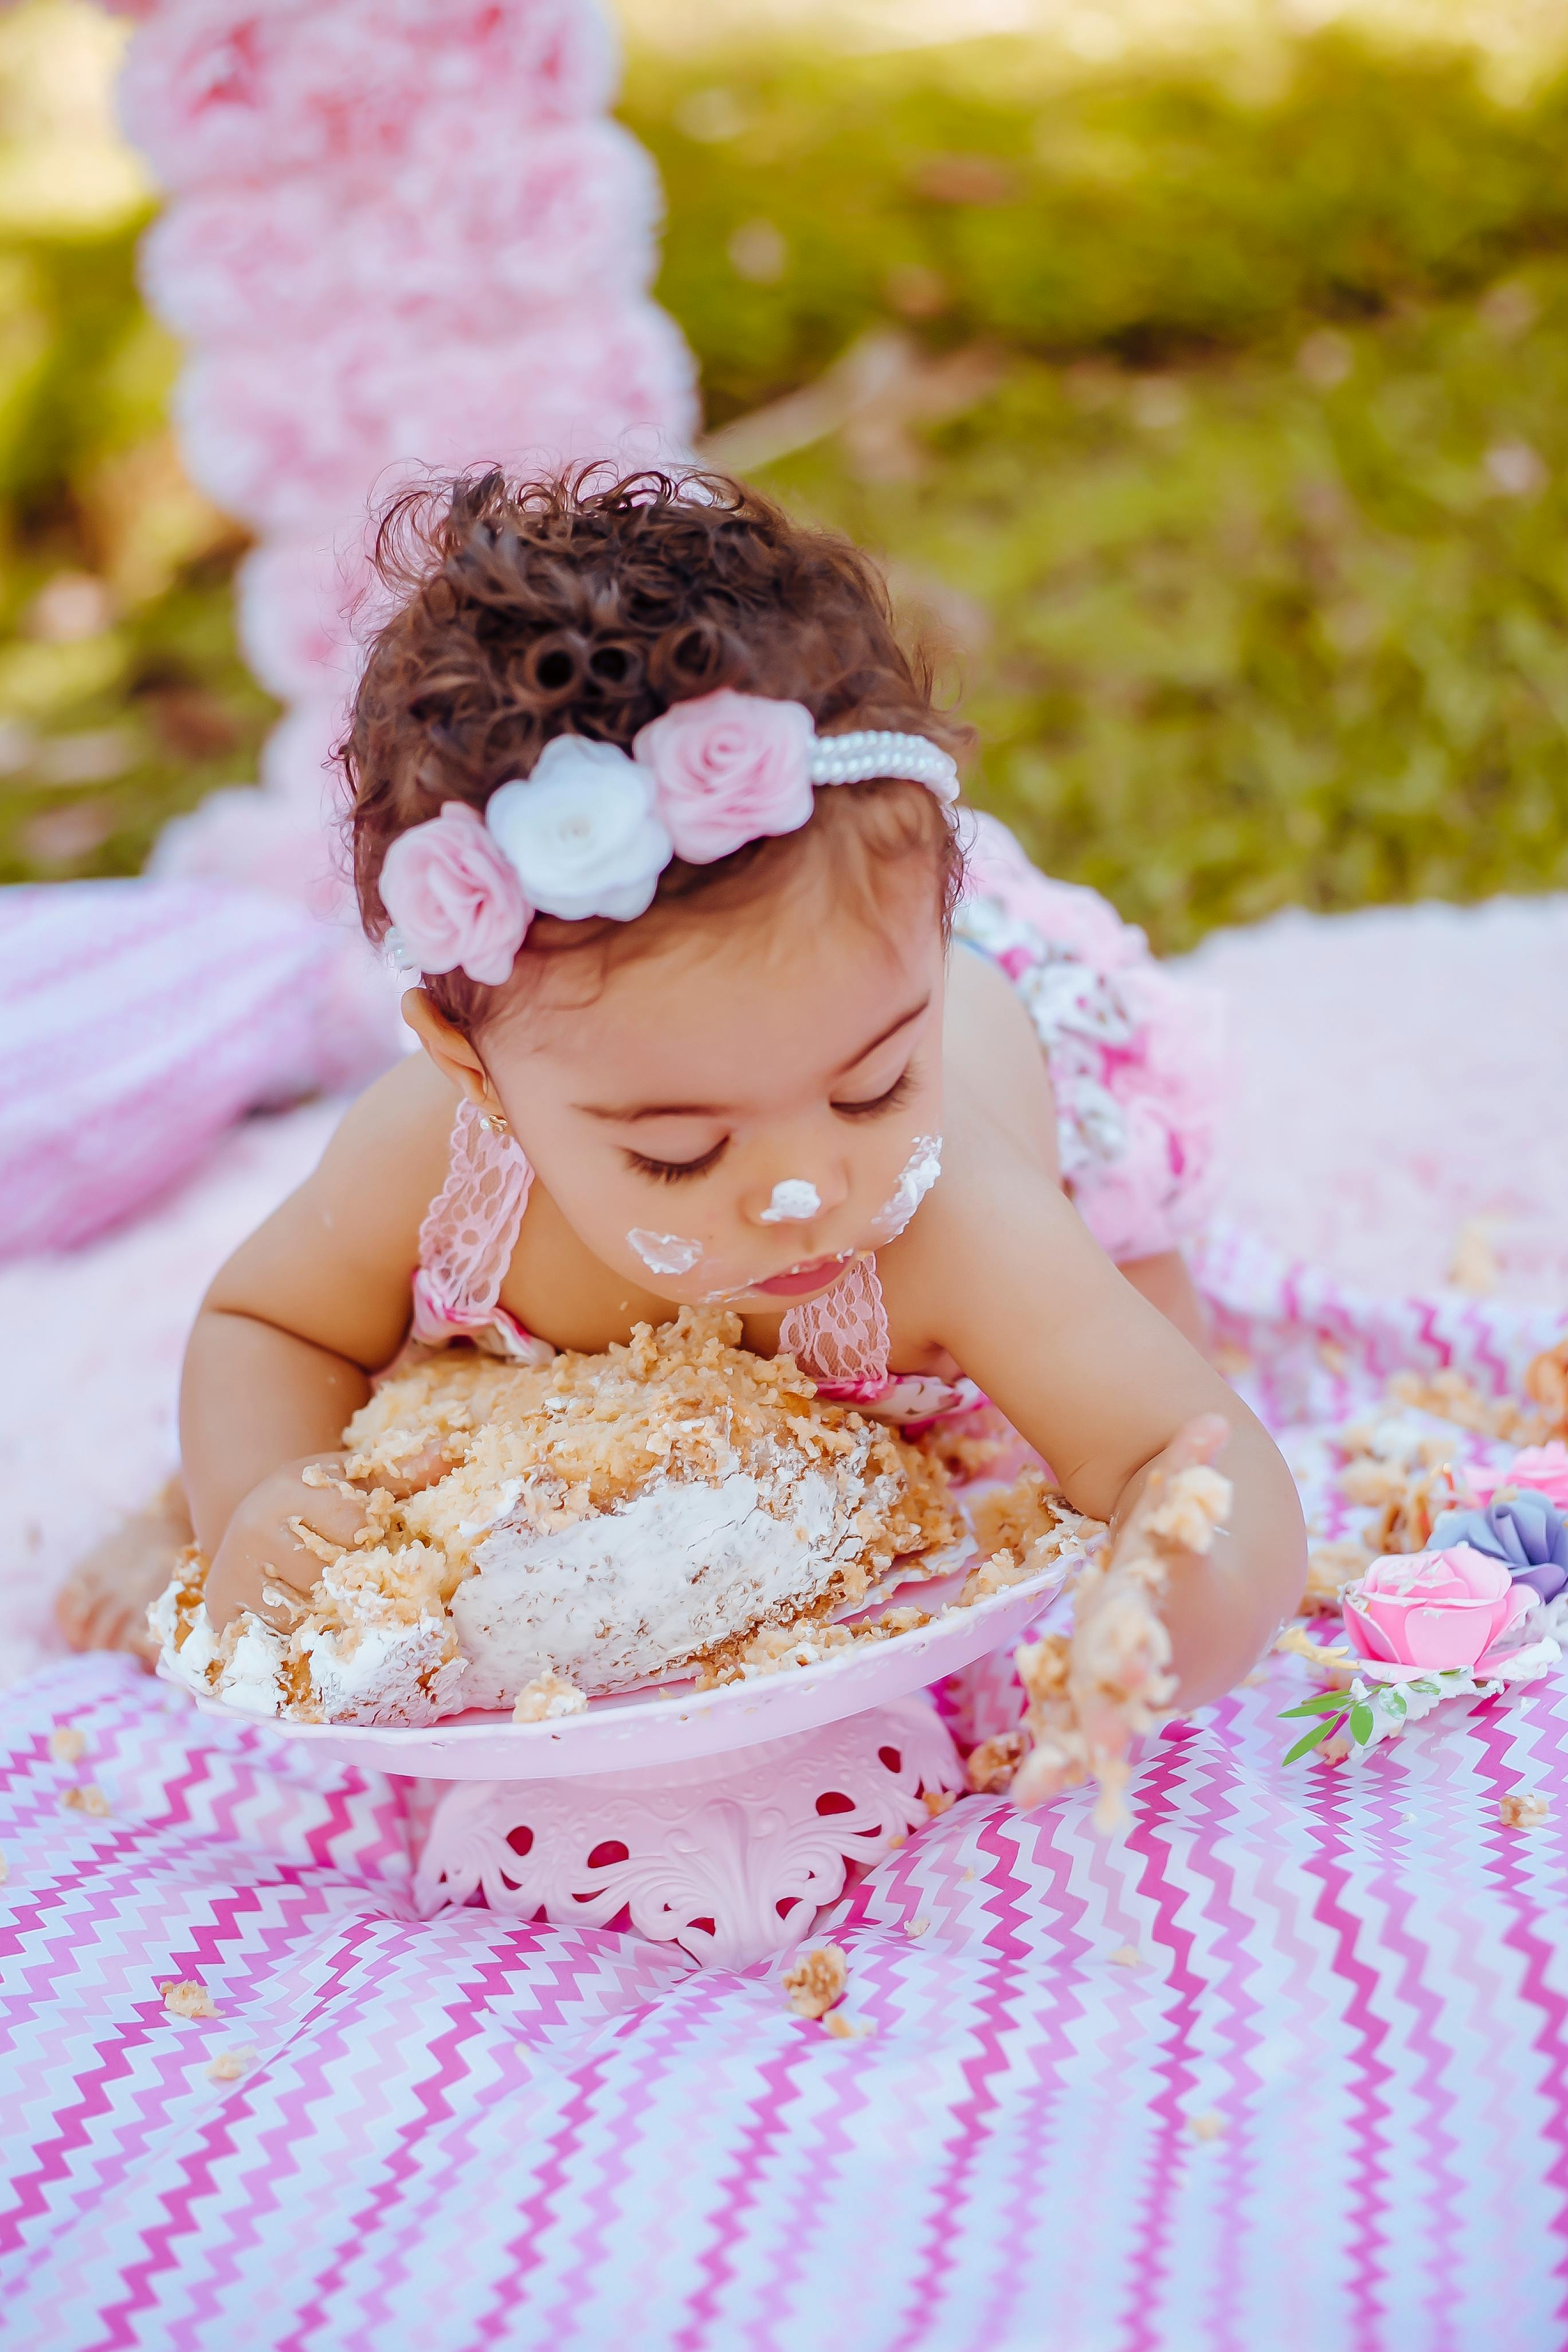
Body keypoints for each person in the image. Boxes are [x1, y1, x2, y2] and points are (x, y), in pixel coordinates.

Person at [60, 466, 1303, 1707]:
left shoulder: (946, 1216)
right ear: (475, 1075)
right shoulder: (438, 1162)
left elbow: (1192, 1460)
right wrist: (257, 1496)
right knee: (367, 1411)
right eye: (678, 1153)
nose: (803, 1190)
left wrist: (1157, 1624)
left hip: (1016, 1057)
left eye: (871, 1089)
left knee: (1137, 1313)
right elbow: (267, 1325)